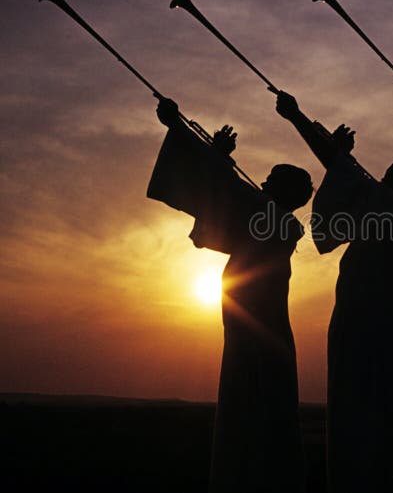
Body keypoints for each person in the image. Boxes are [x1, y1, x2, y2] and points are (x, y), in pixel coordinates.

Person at [147, 98, 312, 493]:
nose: (266, 181)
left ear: (287, 191)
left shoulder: (282, 223)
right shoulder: (269, 217)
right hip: (249, 332)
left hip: (261, 336)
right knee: (246, 404)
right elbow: (227, 199)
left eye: (274, 178)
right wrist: (208, 151)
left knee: (256, 406)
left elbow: (229, 190)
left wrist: (195, 140)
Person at [274, 91, 393, 493]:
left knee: (371, 418)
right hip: (366, 326)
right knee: (357, 414)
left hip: (373, 330)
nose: (378, 179)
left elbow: (343, 169)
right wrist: (298, 119)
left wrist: (305, 124)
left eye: (388, 176)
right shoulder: (386, 207)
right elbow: (344, 170)